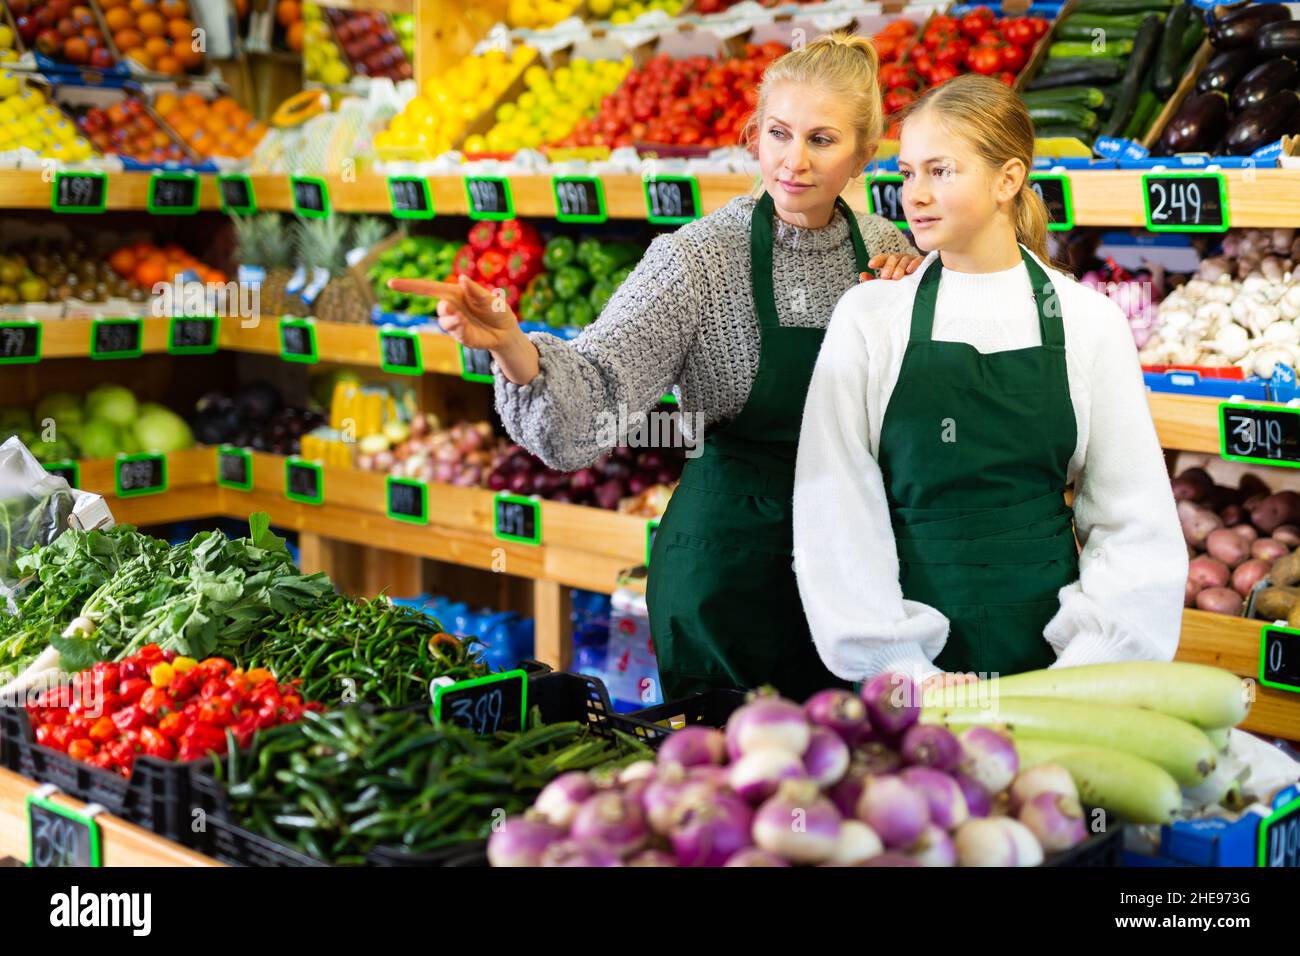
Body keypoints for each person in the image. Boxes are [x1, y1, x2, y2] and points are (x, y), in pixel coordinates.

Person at [389, 33, 924, 702]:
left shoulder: (885, 249)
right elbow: (596, 396)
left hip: (854, 571)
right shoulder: (697, 259)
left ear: (865, 153)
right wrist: (510, 345)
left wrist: (918, 295)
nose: (794, 162)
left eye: (822, 140)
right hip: (730, 577)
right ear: (753, 134)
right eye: (780, 134)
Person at [793, 74, 1187, 695]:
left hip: (1057, 667)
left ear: (1008, 180)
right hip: (903, 675)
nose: (914, 196)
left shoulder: (1090, 323)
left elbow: (1133, 523)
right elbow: (835, 515)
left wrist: (1083, 672)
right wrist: (902, 670)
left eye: (940, 172)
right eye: (906, 174)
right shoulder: (869, 318)